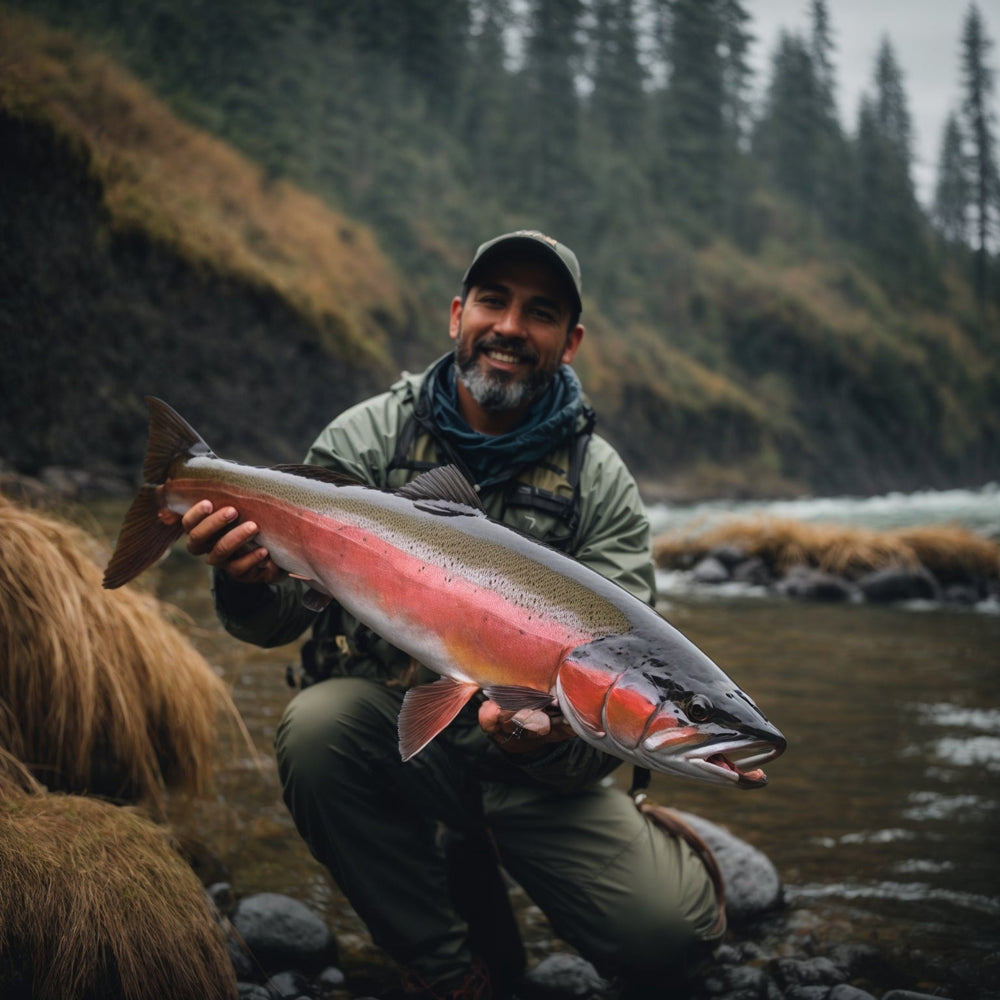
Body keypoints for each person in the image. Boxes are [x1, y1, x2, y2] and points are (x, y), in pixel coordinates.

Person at [174, 231, 723, 999]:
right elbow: (275, 623)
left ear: (571, 342)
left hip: (534, 781)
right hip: (398, 746)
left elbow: (616, 707)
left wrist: (541, 746)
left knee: (673, 939)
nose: (509, 327)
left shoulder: (602, 487)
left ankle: (636, 852)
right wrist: (243, 577)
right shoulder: (365, 439)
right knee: (317, 726)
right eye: (494, 302)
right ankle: (442, 970)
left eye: (540, 313)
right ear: (457, 314)